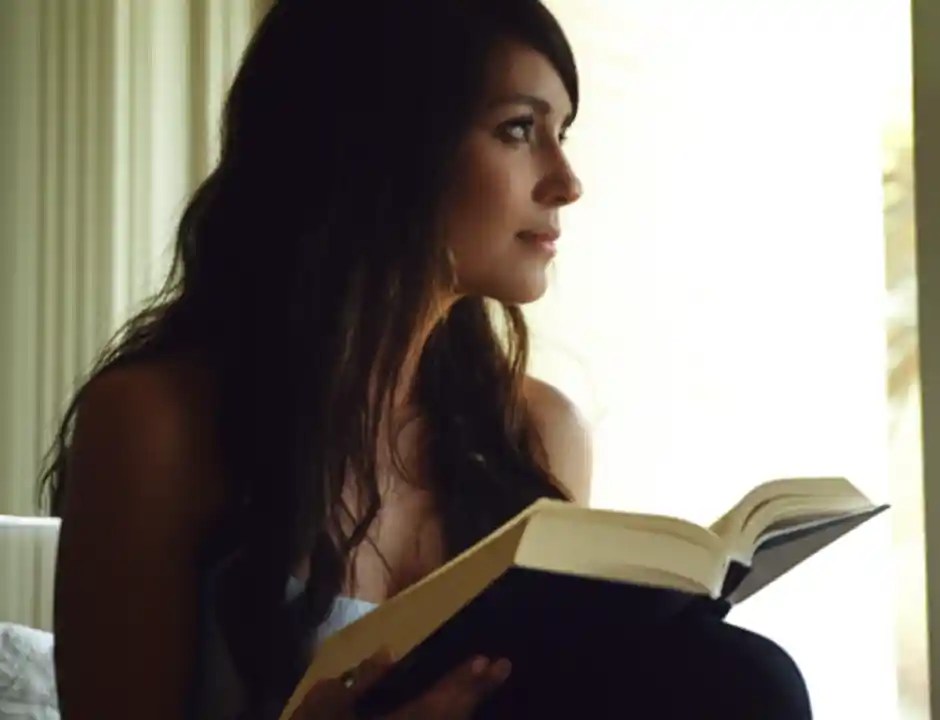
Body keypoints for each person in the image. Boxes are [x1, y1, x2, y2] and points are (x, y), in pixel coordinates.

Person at [41, 0, 812, 718]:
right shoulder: (159, 424)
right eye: (518, 129)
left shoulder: (537, 434)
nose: (566, 183)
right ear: (381, 141)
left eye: (561, 133)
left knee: (741, 673)